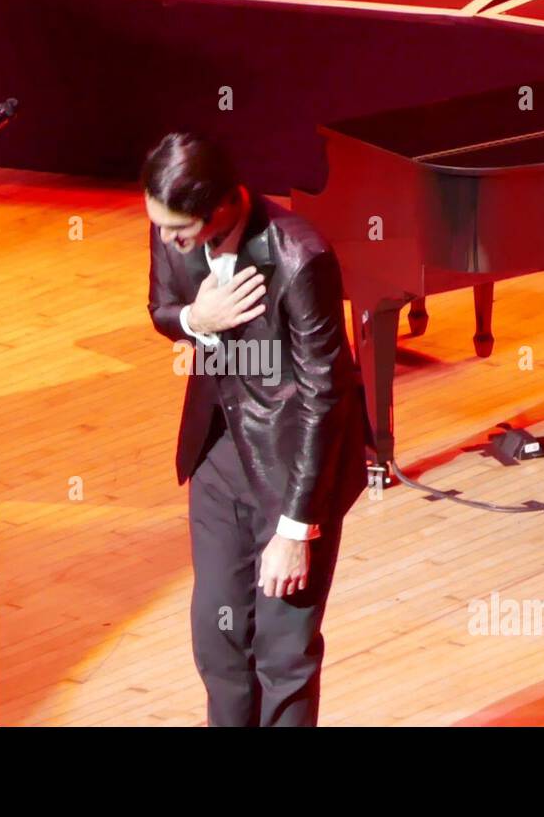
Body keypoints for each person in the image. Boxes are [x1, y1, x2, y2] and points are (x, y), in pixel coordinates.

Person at [143, 132, 369, 726]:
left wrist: (297, 528)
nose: (167, 240)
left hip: (294, 469)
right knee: (219, 643)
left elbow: (327, 393)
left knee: (283, 653)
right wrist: (198, 319)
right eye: (159, 226)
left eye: (178, 229)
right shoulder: (173, 226)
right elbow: (163, 311)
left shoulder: (301, 257)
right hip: (217, 455)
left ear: (220, 204)